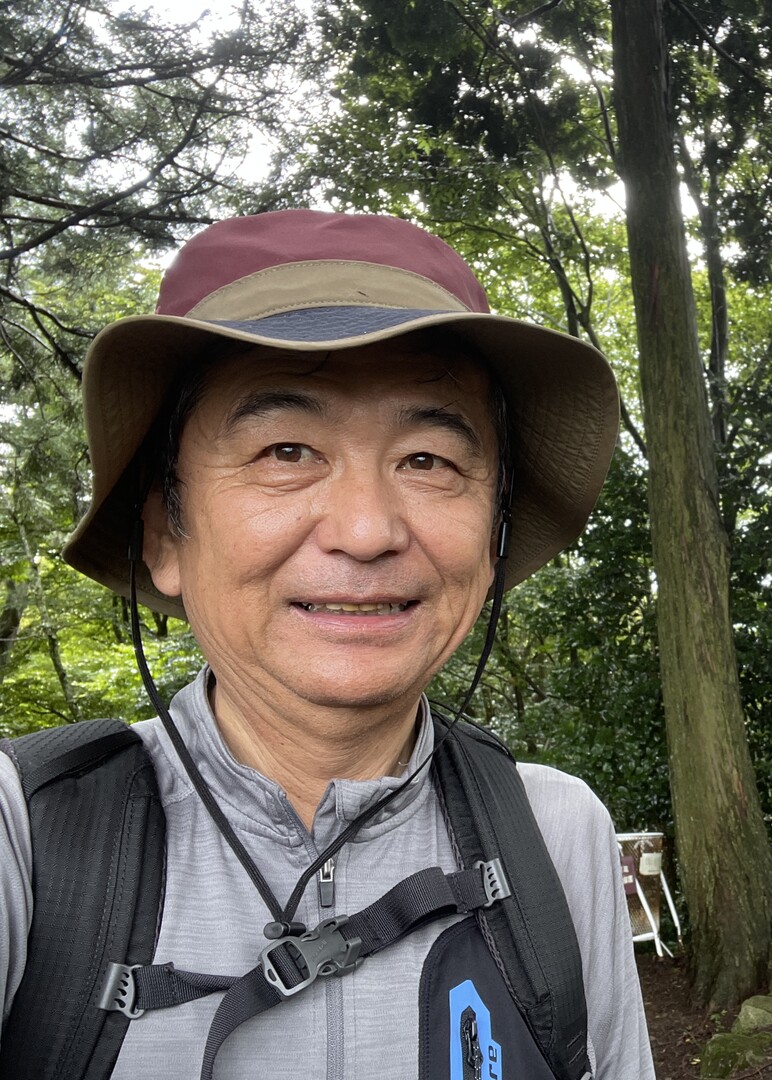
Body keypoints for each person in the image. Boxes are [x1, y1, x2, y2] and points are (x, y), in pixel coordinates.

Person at [0, 209, 654, 1079]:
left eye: (428, 460)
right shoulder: (28, 838)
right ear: (164, 532)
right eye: (286, 448)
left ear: (492, 540)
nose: (367, 529)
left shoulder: (554, 834)